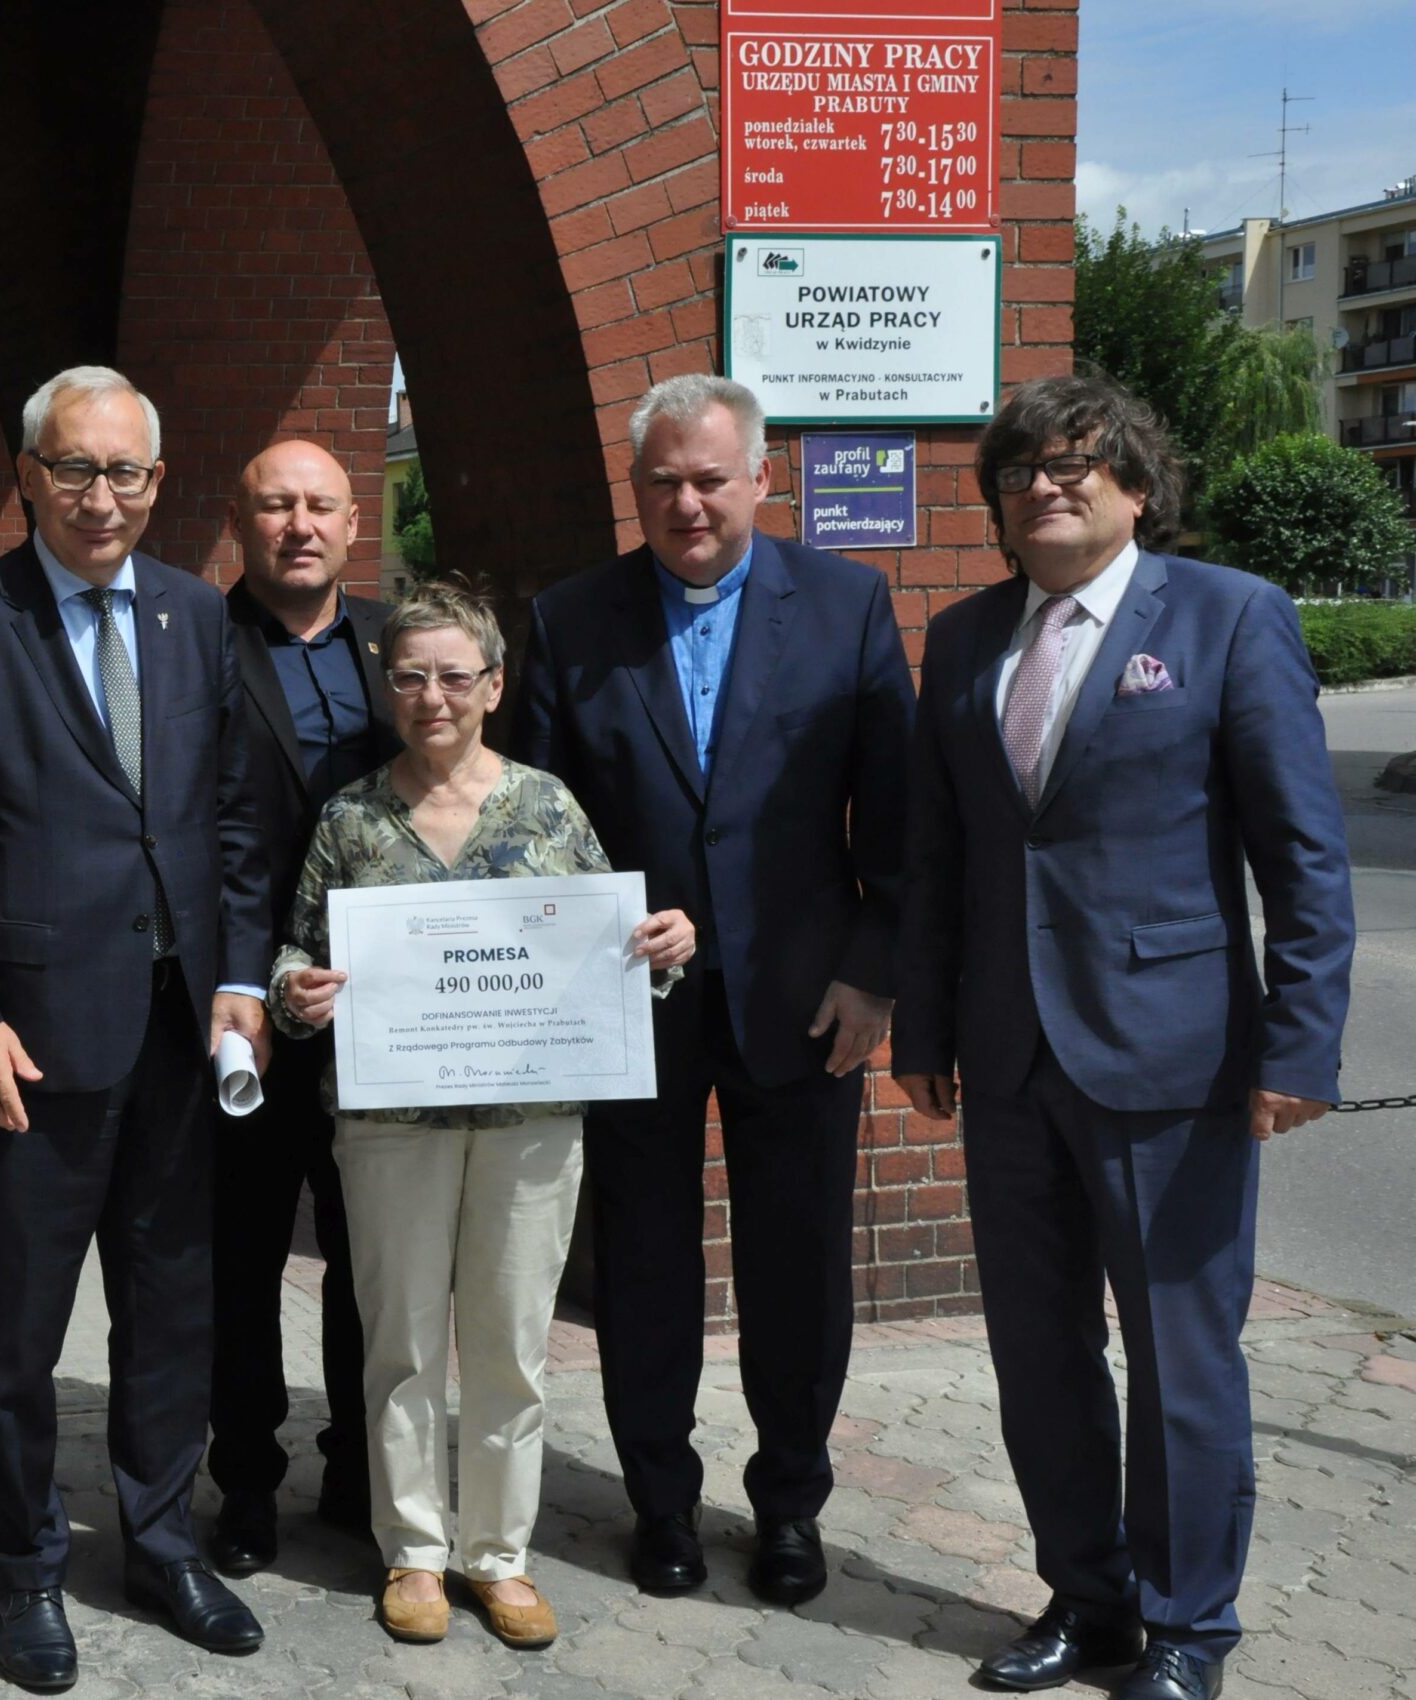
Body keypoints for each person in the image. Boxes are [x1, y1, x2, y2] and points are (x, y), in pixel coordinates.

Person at [895, 374, 1354, 1700]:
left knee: (1180, 1361)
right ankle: (1086, 1600)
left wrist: (1299, 1045)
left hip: (1174, 1056)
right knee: (1037, 1351)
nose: (1049, 484)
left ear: (1137, 488)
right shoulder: (965, 636)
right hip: (1007, 1055)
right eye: (1025, 467)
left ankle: (1191, 1626)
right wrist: (927, 1021)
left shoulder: (1228, 619)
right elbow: (940, 853)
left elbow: (1304, 857)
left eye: (1080, 464)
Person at [0, 365, 272, 1690]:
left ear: (159, 486)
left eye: (126, 473)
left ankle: (160, 1541)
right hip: (29, 1045)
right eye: (75, 468)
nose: (100, 496)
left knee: (173, 1310)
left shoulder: (194, 617)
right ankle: (27, 1565)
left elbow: (230, 816)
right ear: (30, 476)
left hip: (180, 1034)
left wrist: (241, 980)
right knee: (22, 1331)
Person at [510, 373, 914, 1605]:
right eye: (662, 481)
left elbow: (894, 818)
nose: (687, 502)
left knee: (796, 1265)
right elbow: (537, 820)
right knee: (641, 1262)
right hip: (628, 1000)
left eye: (709, 478)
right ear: (636, 489)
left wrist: (870, 975)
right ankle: (661, 1502)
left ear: (759, 480)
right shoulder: (571, 618)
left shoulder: (846, 604)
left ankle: (789, 1504)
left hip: (805, 1001)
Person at [272, 580, 693, 1651]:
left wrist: (657, 950)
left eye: (454, 674)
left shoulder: (548, 806)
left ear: (494, 685)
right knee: (400, 1343)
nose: (431, 695)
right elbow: (293, 946)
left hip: (530, 1122)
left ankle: (499, 1555)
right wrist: (296, 991)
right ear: (387, 683)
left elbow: (612, 948)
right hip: (391, 1125)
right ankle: (412, 1550)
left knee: (508, 1345)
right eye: (409, 674)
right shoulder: (350, 814)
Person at [206, 439, 396, 1577]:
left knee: (371, 1252)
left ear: (352, 520)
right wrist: (236, 980)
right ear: (240, 517)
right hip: (252, 1014)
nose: (299, 524)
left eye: (320, 504)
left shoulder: (395, 642)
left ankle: (359, 1468)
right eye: (275, 503)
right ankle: (244, 1482)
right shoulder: (193, 644)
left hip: (383, 1007)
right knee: (242, 1253)